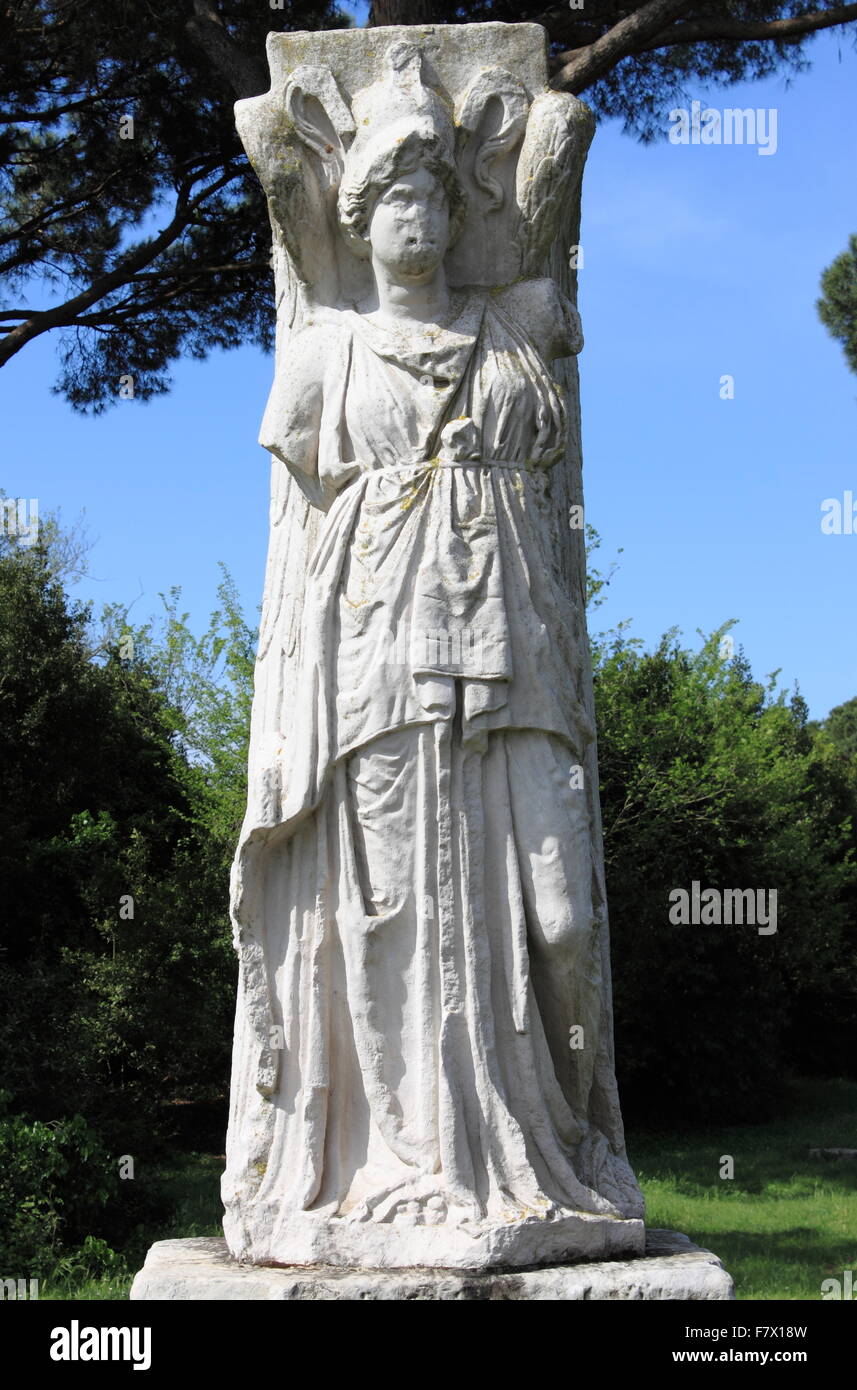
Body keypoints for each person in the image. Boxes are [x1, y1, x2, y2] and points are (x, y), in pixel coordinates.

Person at [222, 76, 643, 1268]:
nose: (417, 217)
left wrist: (522, 128)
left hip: (519, 657)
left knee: (561, 921)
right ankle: (393, 1166)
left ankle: (572, 1144)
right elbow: (299, 539)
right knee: (383, 923)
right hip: (378, 666)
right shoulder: (321, 350)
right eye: (392, 196)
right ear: (356, 218)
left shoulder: (518, 320)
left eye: (437, 196)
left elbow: (559, 153)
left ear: (464, 214)